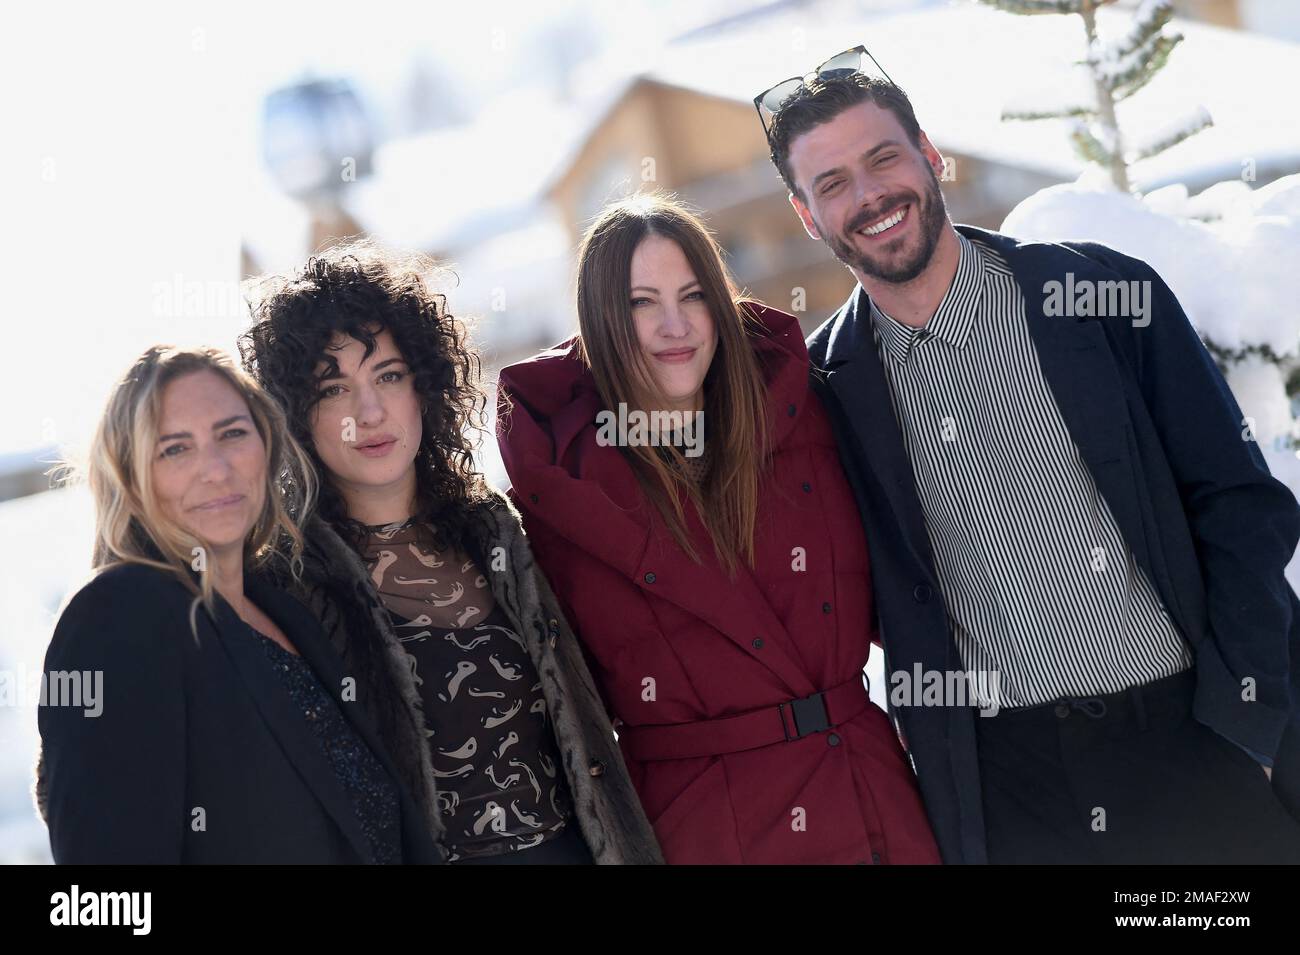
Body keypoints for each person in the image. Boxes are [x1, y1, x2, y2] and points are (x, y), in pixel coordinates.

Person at [756, 46, 1300, 863]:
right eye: (831, 183)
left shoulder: (1102, 297)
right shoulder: (828, 391)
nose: (869, 196)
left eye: (883, 158)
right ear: (807, 216)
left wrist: (1246, 722)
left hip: (1196, 740)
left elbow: (1240, 505)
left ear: (930, 155)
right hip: (1013, 793)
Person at [496, 193, 941, 864]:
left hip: (870, 789)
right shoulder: (559, 492)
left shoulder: (806, 414)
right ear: (600, 321)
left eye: (694, 294)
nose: (675, 324)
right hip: (706, 825)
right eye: (642, 302)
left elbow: (911, 590)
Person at [239, 241, 661, 864]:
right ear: (296, 417)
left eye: (388, 376)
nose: (371, 411)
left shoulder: (497, 532)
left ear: (423, 386)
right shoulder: (287, 584)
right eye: (334, 390)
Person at [36, 345, 441, 863]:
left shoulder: (283, 607)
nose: (217, 468)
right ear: (132, 479)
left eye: (232, 434)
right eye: (175, 449)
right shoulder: (117, 614)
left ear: (266, 444)